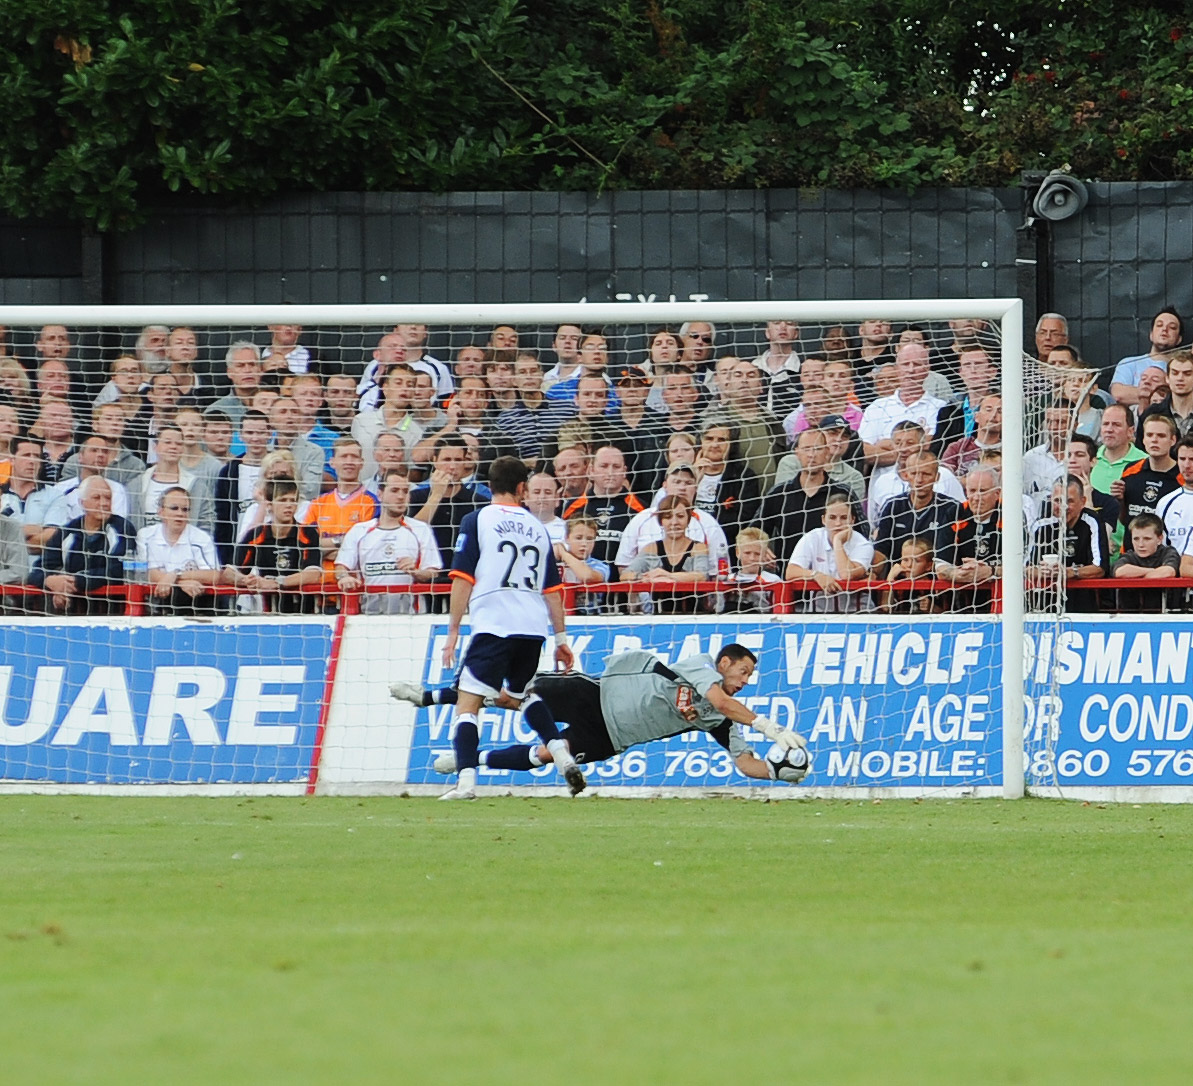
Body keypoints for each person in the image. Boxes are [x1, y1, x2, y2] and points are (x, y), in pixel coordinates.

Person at [393, 644, 808, 785]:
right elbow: (719, 701)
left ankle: (468, 761)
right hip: (595, 695)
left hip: (611, 738)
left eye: (751, 675)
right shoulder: (700, 666)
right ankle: (428, 697)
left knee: (545, 756)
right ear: (724, 662)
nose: (746, 679)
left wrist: (775, 770)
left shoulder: (720, 722)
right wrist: (771, 727)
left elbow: (742, 761)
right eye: (743, 671)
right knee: (513, 695)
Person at [438, 455, 584, 800]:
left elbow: (462, 577)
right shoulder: (539, 529)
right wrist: (561, 638)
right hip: (533, 628)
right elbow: (553, 590)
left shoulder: (478, 519)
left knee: (467, 702)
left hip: (494, 625)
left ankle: (466, 784)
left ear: (490, 486)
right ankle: (561, 754)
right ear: (522, 489)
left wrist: (454, 629)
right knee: (522, 696)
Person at [334, 468, 443, 614]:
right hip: (368, 613)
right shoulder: (360, 531)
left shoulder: (420, 529)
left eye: (405, 491)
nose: (400, 496)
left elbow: (433, 571)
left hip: (410, 616)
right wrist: (344, 577)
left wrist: (416, 572)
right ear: (380, 494)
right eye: (394, 490)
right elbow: (341, 567)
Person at [29, 476, 135, 615]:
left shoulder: (123, 529)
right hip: (70, 611)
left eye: (108, 498)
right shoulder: (66, 532)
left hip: (111, 610)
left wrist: (76, 581)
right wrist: (51, 581)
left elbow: (119, 570)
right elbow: (36, 571)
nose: (104, 503)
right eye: (97, 498)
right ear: (82, 503)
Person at [231, 476, 324, 614]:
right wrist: (246, 580)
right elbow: (229, 572)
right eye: (282, 500)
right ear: (269, 504)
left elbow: (313, 574)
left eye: (292, 500)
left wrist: (276, 582)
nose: (289, 505)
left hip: (305, 614)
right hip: (269, 614)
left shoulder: (308, 533)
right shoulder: (255, 535)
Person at [137, 487, 229, 614]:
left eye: (185, 509)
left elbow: (214, 576)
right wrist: (181, 583)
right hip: (157, 603)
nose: (180, 513)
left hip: (199, 603)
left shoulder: (201, 538)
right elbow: (149, 574)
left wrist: (175, 575)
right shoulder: (146, 535)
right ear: (160, 512)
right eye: (174, 508)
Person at [871, 450, 964, 576]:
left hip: (939, 586)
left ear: (937, 477)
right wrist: (872, 573)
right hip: (899, 582)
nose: (919, 480)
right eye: (914, 473)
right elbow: (881, 549)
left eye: (926, 474)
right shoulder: (893, 506)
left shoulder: (951, 508)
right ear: (905, 475)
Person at [1027, 476, 1110, 613]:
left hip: (1082, 601)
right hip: (1045, 601)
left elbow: (1100, 568)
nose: (1063, 507)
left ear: (1082, 502)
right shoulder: (1041, 524)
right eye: (1057, 501)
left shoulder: (1091, 521)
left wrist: (1069, 572)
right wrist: (1043, 572)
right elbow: (1025, 567)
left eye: (1069, 501)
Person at [785, 493, 874, 613]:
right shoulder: (811, 538)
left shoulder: (863, 544)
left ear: (852, 520)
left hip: (858, 613)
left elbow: (846, 575)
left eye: (843, 518)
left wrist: (838, 542)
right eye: (832, 517)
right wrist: (816, 575)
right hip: (819, 613)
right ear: (823, 520)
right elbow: (791, 572)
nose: (838, 523)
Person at [619, 495, 709, 613]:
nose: (674, 522)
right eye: (668, 517)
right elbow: (625, 576)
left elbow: (701, 576)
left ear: (688, 520)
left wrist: (667, 576)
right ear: (661, 521)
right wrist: (644, 578)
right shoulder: (651, 548)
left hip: (695, 616)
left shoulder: (698, 547)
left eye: (680, 516)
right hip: (659, 618)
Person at [301, 437, 379, 568]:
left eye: (354, 457)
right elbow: (305, 544)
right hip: (319, 580)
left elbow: (365, 545)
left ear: (361, 463)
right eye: (343, 456)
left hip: (354, 580)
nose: (349, 462)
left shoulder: (371, 502)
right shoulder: (318, 503)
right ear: (332, 462)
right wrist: (340, 542)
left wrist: (323, 548)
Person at [1118, 414, 1180, 533]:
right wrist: (1119, 500)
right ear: (1143, 439)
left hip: (1168, 550)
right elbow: (1124, 519)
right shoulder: (1130, 471)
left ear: (1173, 440)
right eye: (1149, 435)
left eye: (1161, 436)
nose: (1154, 440)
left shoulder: (1182, 477)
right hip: (1131, 549)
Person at [1110, 308, 1182, 406]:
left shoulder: (1183, 368)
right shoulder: (1129, 363)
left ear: (1179, 339)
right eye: (1159, 325)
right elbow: (1119, 394)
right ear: (1151, 334)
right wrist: (1160, 396)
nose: (1165, 329)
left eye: (1172, 327)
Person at [1113, 512, 1181, 612]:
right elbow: (1119, 572)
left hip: (1166, 617)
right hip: (1130, 617)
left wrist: (1137, 575)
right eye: (1136, 539)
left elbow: (1168, 572)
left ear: (1159, 539)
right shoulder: (1129, 555)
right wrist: (1152, 571)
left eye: (1147, 539)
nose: (1140, 544)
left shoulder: (1169, 552)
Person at [554, 514, 610, 616]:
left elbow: (587, 576)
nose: (584, 543)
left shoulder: (601, 566)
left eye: (589, 539)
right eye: (578, 538)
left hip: (590, 618)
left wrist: (564, 554)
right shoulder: (556, 563)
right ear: (567, 538)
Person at [1136, 349, 1193, 441]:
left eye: (1187, 374)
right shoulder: (1151, 413)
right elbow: (1141, 452)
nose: (1180, 378)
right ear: (1167, 378)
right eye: (1175, 373)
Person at [722, 526, 781, 613]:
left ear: (764, 555)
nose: (752, 558)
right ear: (738, 552)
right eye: (747, 553)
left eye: (757, 554)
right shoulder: (728, 579)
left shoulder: (773, 580)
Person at [204, 342, 262, 428]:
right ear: (229, 372)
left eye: (252, 364)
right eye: (240, 366)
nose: (247, 370)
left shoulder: (276, 406)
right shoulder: (217, 410)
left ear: (260, 370)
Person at [882, 538, 941, 614]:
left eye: (917, 561)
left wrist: (932, 608)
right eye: (905, 560)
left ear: (929, 566)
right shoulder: (897, 581)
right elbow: (885, 608)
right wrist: (890, 578)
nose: (909, 565)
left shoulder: (936, 584)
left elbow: (948, 613)